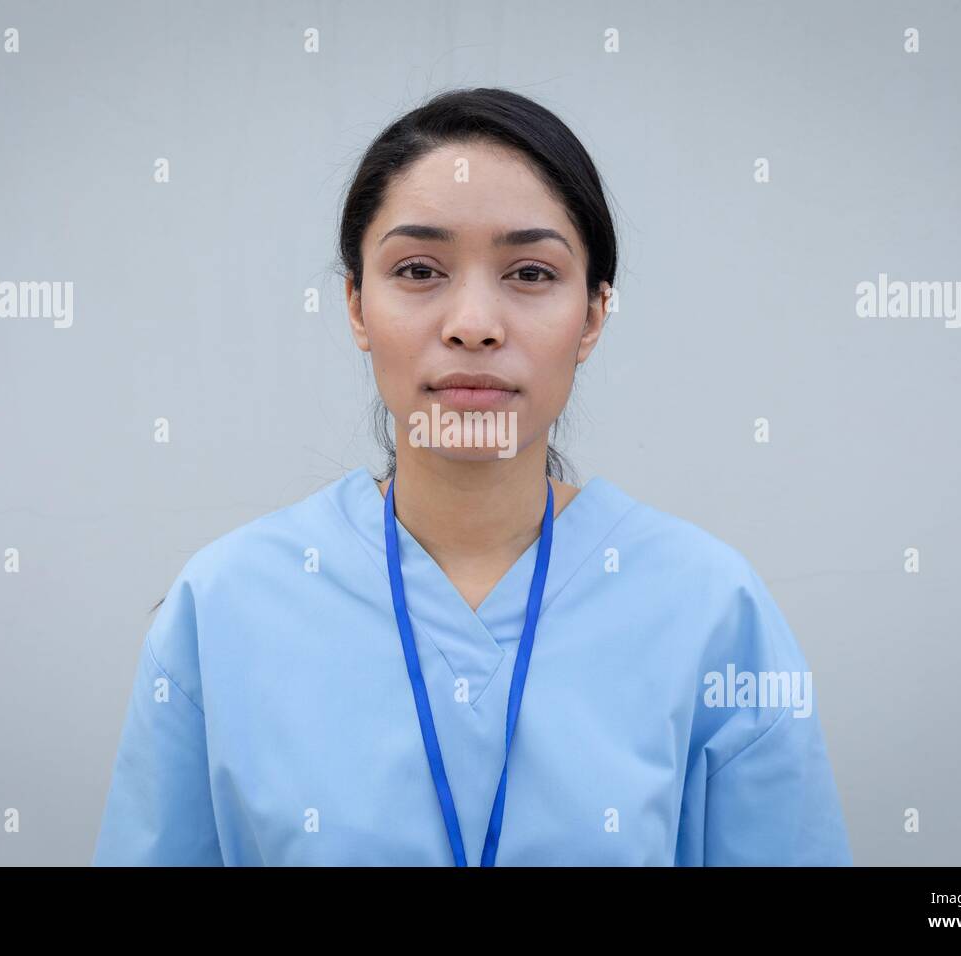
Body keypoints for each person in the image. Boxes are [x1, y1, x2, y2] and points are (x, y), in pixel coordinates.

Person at [92, 87, 852, 866]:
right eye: (419, 269)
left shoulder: (712, 611)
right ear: (357, 304)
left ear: (593, 314)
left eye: (529, 273)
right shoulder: (223, 609)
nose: (474, 323)